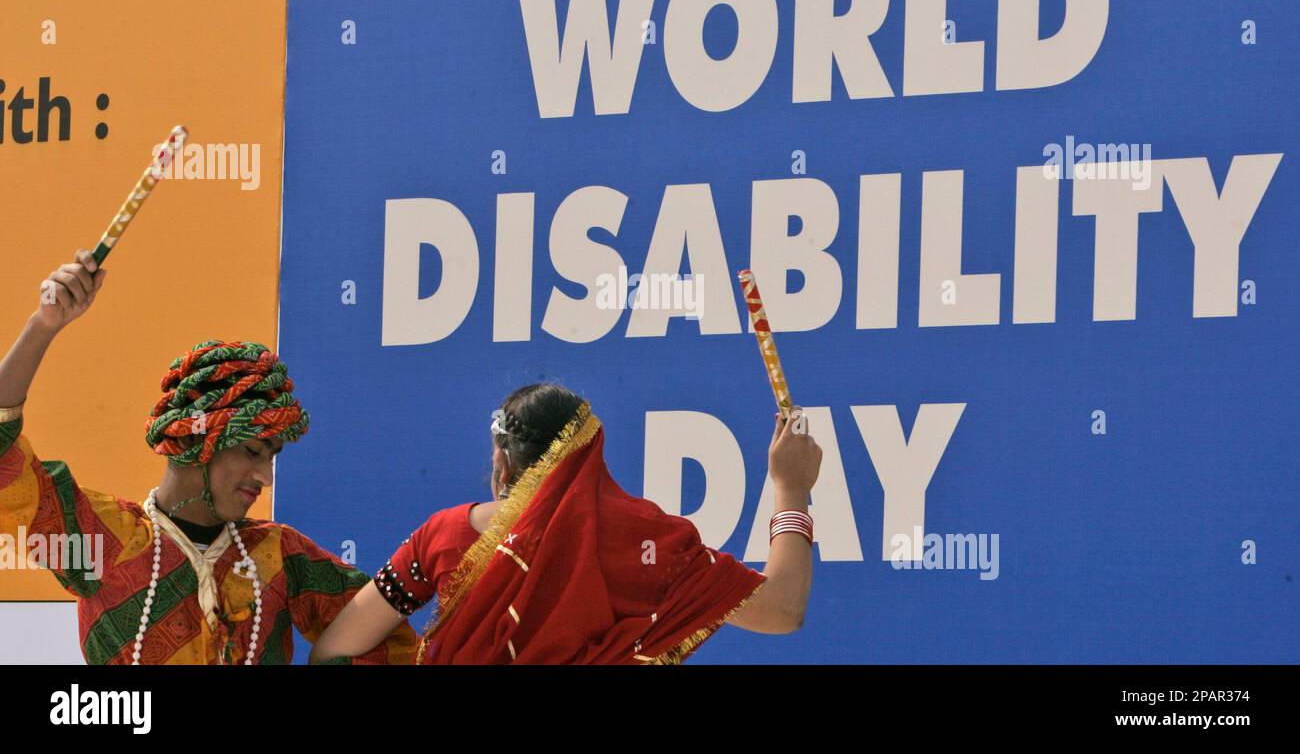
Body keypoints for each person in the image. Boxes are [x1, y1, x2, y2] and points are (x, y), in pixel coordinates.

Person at [0, 248, 418, 664]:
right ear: (198, 443)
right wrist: (43, 325)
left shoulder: (279, 556)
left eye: (272, 456)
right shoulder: (104, 541)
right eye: (253, 451)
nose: (265, 477)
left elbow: (388, 642)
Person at [311, 382, 822, 664]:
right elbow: (781, 610)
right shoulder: (649, 543)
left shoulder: (446, 537)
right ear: (590, 459)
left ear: (502, 466)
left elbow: (336, 647)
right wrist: (791, 489)